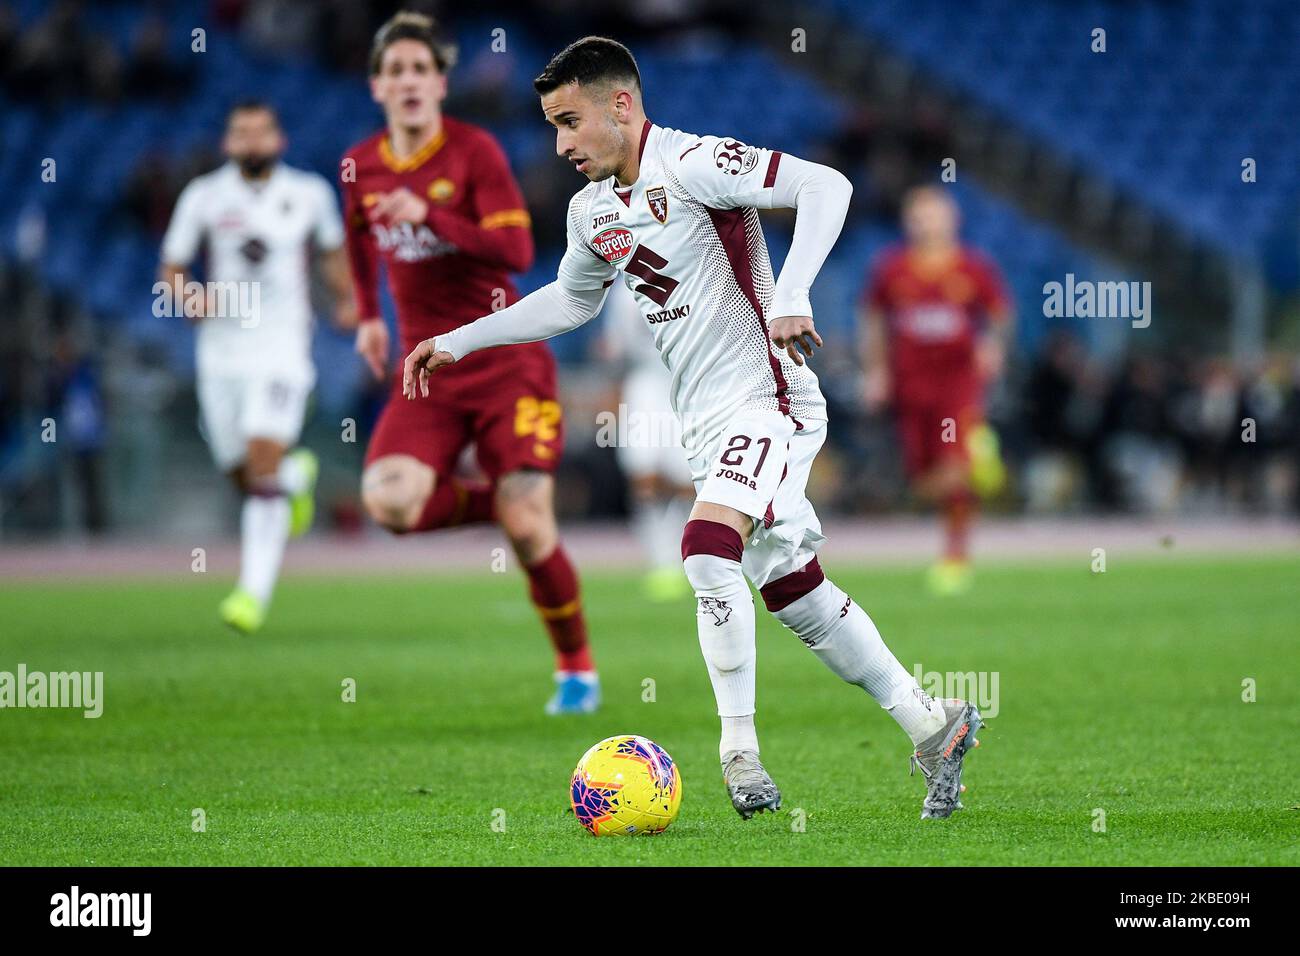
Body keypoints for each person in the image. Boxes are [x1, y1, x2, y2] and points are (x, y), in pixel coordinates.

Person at [403, 37, 984, 820]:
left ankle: (737, 753)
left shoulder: (697, 163)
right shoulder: (591, 211)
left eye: (570, 121)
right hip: (704, 421)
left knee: (706, 546)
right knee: (792, 591)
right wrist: (459, 340)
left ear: (622, 105)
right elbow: (572, 302)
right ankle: (933, 722)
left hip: (769, 398)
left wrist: (794, 292)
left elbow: (826, 186)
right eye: (550, 126)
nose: (560, 144)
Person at [341, 12, 599, 714]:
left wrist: (428, 214)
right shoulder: (360, 163)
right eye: (395, 71)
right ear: (377, 86)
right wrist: (368, 314)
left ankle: (576, 668)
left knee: (529, 528)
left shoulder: (475, 152)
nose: (409, 82)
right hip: (426, 367)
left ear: (441, 82)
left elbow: (517, 253)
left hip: (501, 355)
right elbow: (360, 238)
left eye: (420, 69)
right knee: (389, 503)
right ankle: (505, 506)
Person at [159, 100, 355, 633]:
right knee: (242, 473)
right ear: (228, 144)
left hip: (281, 350)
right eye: (240, 134)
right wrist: (187, 297)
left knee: (260, 465)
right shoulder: (203, 196)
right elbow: (172, 267)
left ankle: (251, 593)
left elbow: (333, 252)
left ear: (278, 140)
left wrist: (345, 300)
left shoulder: (309, 194)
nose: (250, 142)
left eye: (260, 132)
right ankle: (297, 477)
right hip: (221, 353)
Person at [861, 185, 1013, 595]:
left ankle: (955, 556)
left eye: (934, 214)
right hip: (911, 385)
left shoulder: (973, 268)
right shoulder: (892, 269)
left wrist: (992, 346)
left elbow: (1000, 313)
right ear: (908, 222)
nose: (927, 223)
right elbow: (873, 319)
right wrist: (876, 370)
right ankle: (979, 459)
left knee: (952, 468)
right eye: (919, 215)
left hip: (957, 384)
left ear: (952, 220)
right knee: (922, 480)